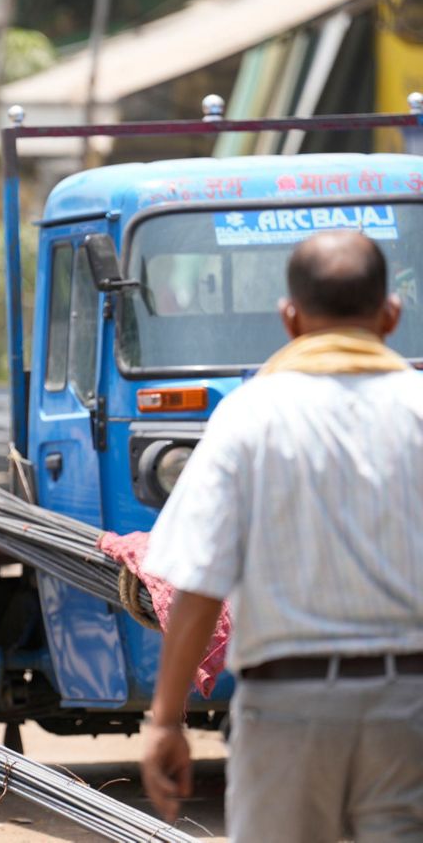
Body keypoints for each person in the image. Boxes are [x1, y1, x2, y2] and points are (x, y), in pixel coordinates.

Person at [139, 231, 423, 840]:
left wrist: (165, 721)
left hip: (288, 709)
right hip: (411, 711)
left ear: (289, 319)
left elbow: (198, 582)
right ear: (391, 315)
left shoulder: (248, 417)